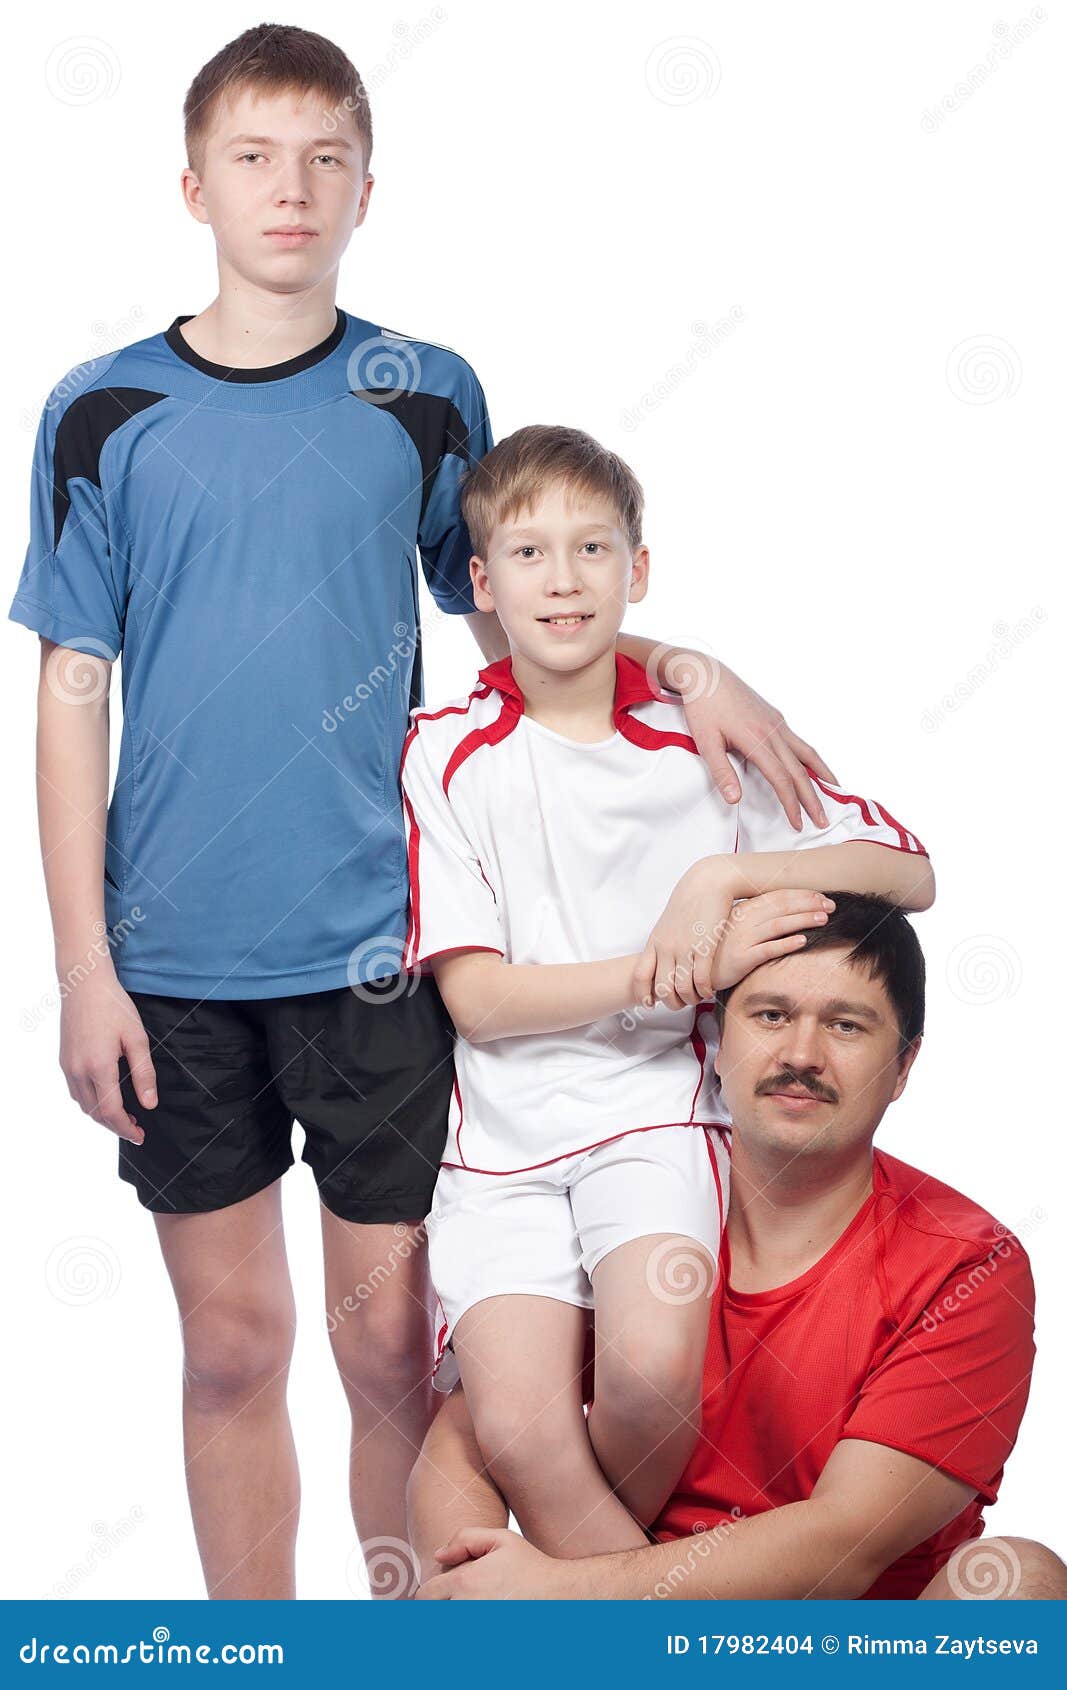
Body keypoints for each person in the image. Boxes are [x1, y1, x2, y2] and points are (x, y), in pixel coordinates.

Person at [9, 26, 838, 1600]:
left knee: (391, 1344)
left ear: (368, 188)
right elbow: (68, 705)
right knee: (232, 1345)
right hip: (172, 959)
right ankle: (263, 1643)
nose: (290, 190)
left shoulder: (420, 393)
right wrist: (83, 967)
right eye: (254, 157)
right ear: (192, 183)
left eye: (325, 158)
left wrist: (689, 662)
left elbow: (529, 627)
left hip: (380, 949)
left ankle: (400, 1646)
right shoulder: (100, 412)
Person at [398, 427, 933, 1559]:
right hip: (496, 1139)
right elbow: (480, 1004)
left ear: (635, 572)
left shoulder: (704, 737)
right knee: (517, 1426)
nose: (564, 578)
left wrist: (727, 874)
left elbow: (909, 871)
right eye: (529, 554)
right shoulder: (440, 750)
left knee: (646, 1380)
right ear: (481, 585)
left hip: (656, 1110)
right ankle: (663, 1641)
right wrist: (681, 963)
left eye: (592, 548)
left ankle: (594, 1619)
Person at [410, 894, 1067, 1601]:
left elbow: (842, 1544)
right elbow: (463, 1447)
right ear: (717, 1043)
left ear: (902, 1068)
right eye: (770, 1016)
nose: (800, 1056)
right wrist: (471, 1590)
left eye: (846, 1026)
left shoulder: (966, 1264)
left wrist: (561, 1596)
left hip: (842, 1654)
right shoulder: (623, 1206)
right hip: (621, 1636)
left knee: (1016, 1583)